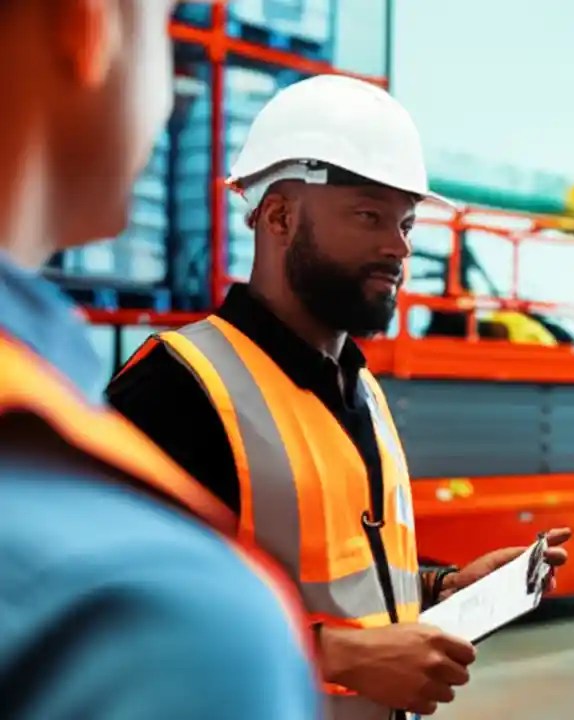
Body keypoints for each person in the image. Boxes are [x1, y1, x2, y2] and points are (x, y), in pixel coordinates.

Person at [107, 73, 571, 720]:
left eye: (406, 222)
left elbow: (345, 580)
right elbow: (120, 620)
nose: (399, 247)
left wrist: (443, 588)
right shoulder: (177, 389)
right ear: (278, 215)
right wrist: (345, 658)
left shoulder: (362, 393)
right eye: (368, 215)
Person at [0, 1, 320, 718]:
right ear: (89, 25)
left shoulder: (364, 396)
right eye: (166, 22)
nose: (397, 249)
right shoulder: (159, 618)